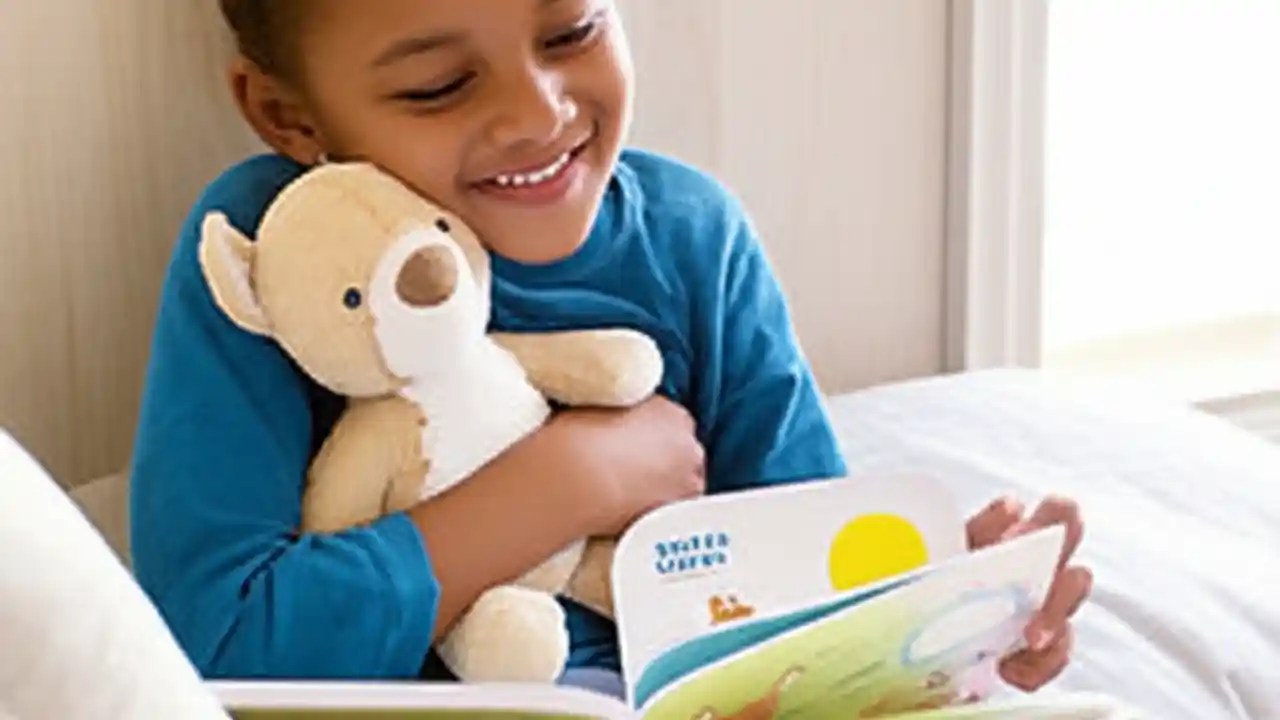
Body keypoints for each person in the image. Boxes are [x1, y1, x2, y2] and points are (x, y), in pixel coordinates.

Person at [130, 0, 1091, 698]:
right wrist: (564, 482)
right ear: (291, 118)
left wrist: (941, 612)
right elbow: (214, 641)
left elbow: (806, 590)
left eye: (573, 30)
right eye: (439, 85)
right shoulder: (262, 256)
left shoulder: (691, 239)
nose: (539, 112)